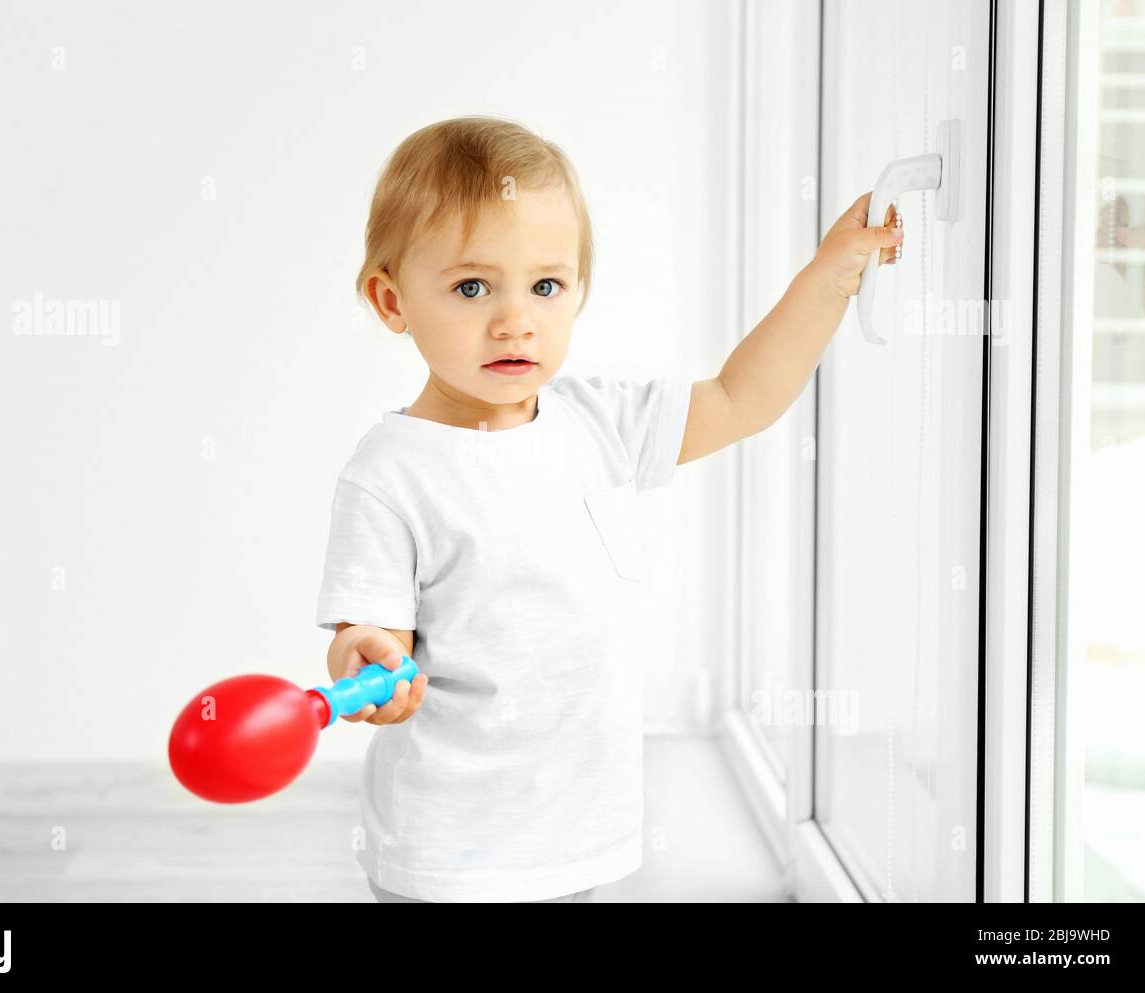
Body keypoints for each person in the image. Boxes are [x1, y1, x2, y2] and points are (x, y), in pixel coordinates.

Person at [316, 115, 902, 903]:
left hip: (577, 831)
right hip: (448, 845)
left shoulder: (601, 422)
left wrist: (833, 272)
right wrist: (367, 657)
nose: (515, 318)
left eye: (545, 285)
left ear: (578, 291)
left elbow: (740, 396)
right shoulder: (390, 471)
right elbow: (374, 631)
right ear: (392, 300)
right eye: (470, 286)